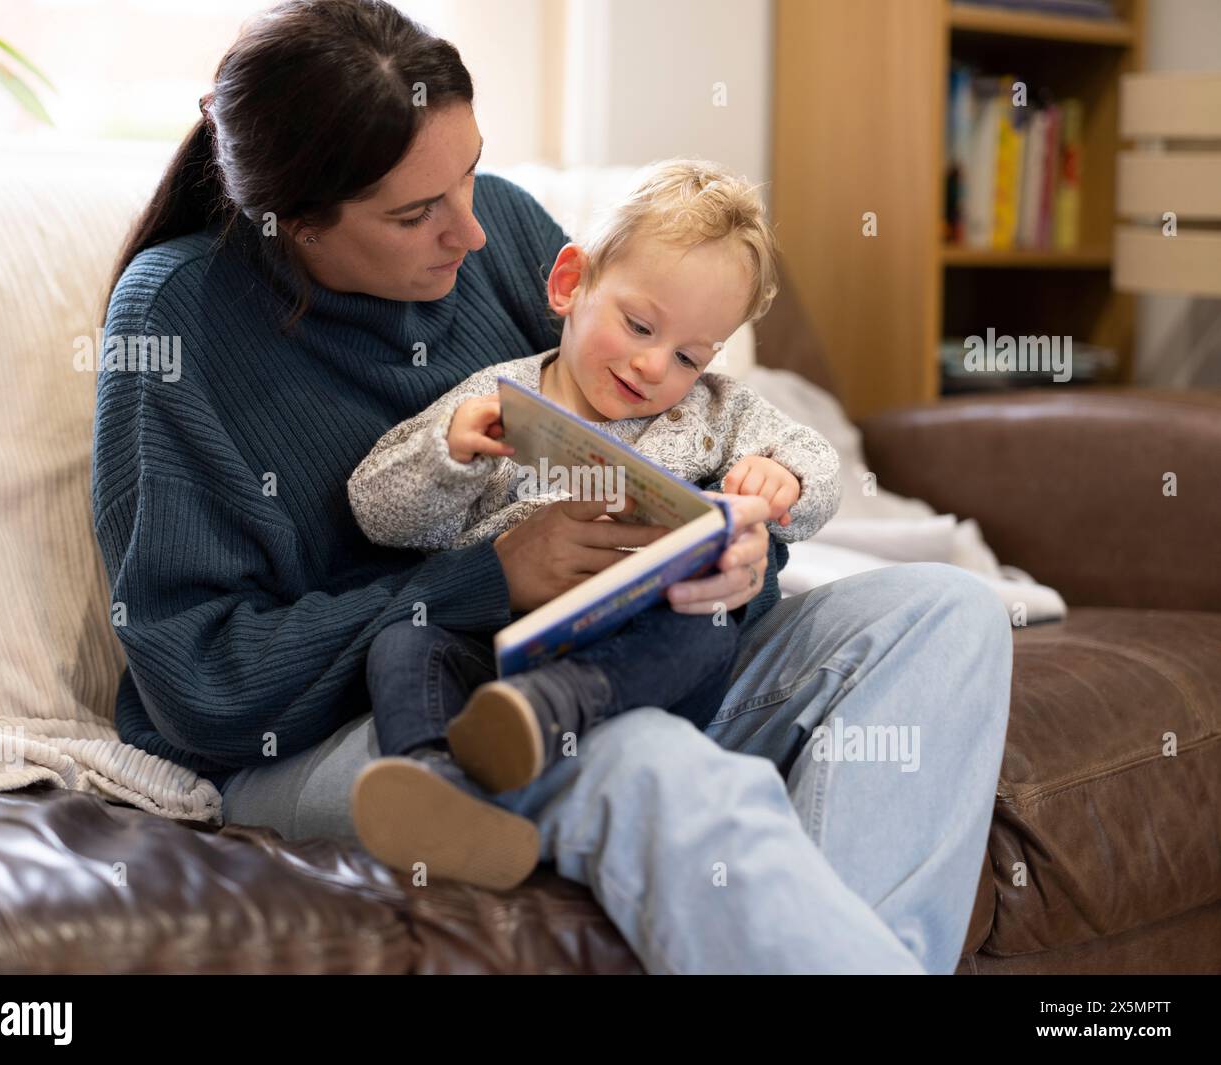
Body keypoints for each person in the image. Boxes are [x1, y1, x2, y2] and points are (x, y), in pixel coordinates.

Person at [93, 0, 1010, 974]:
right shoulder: (177, 319)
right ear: (296, 220)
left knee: (948, 614)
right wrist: (492, 579)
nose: (473, 235)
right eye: (416, 214)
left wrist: (739, 544)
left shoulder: (511, 236)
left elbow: (668, 421)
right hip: (373, 730)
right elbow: (202, 685)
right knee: (649, 766)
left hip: (598, 656)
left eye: (470, 175)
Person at [345, 158, 843, 891]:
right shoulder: (497, 397)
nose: (650, 365)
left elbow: (818, 463)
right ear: (570, 283)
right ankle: (434, 782)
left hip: (633, 652)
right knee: (402, 640)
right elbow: (376, 508)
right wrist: (450, 453)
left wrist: (785, 482)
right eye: (638, 324)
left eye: (686, 354)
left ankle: (556, 709)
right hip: (496, 644)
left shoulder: (714, 412)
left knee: (703, 621)